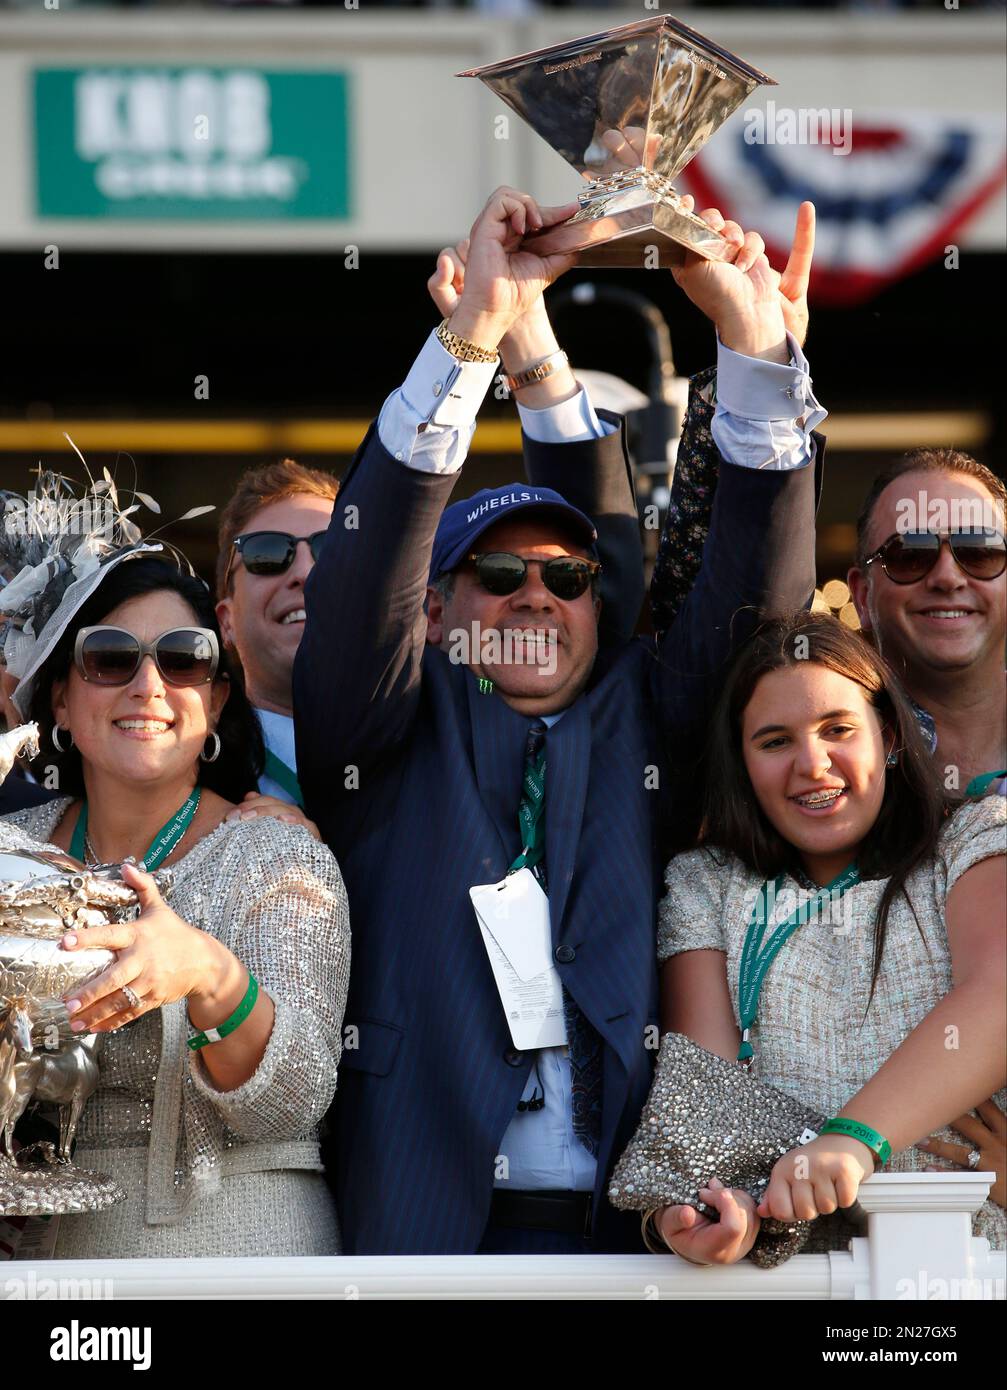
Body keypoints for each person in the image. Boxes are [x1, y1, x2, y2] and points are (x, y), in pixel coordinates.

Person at [294, 185, 825, 1254]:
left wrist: (754, 341)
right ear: (436, 609)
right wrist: (469, 340)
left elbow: (755, 600)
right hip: (424, 1218)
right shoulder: (385, 721)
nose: (537, 594)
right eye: (499, 572)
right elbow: (364, 576)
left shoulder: (650, 717)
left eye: (570, 576)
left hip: (634, 1227)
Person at [0, 522, 350, 1259]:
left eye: (185, 660)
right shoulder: (11, 849)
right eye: (109, 659)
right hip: (36, 1261)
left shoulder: (276, 856)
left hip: (233, 1249)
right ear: (60, 699)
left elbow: (296, 1098)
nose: (149, 686)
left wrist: (208, 976)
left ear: (217, 701)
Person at [645, 612, 1005, 1264]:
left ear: (888, 735)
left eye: (837, 730)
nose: (812, 765)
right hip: (794, 1282)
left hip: (968, 1271)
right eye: (774, 741)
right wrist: (703, 1211)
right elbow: (704, 1102)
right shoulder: (705, 885)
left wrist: (850, 1141)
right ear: (742, 762)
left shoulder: (975, 835)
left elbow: (998, 991)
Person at [215, 458, 339, 812]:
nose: (304, 572)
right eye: (266, 553)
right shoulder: (178, 770)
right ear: (226, 623)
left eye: (331, 550)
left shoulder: (443, 746)